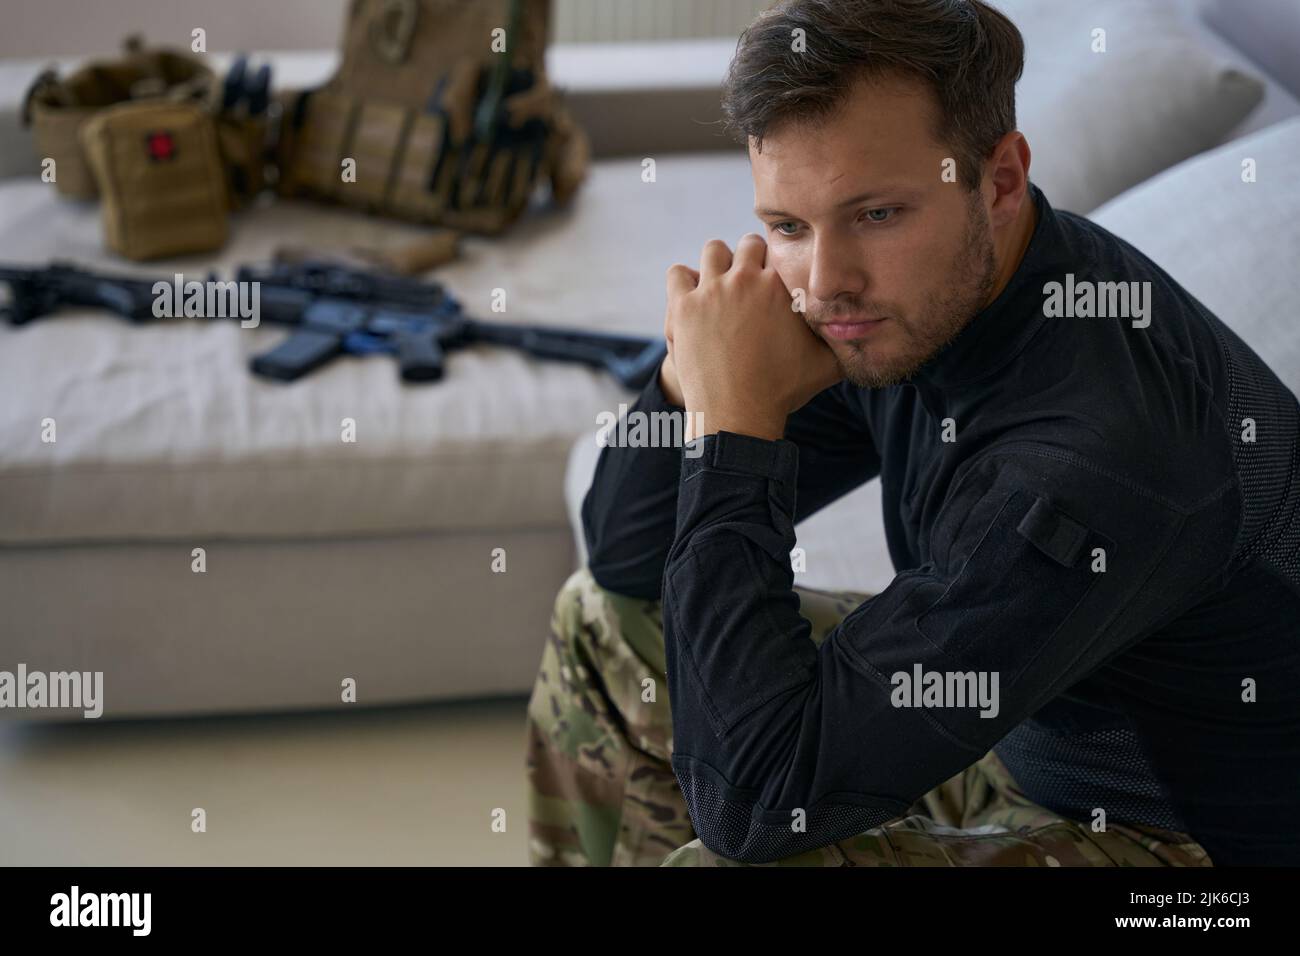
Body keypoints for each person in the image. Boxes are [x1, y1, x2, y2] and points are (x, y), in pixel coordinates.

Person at [525, 0, 1300, 867]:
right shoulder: (918, 304)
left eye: (877, 215)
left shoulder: (1092, 457)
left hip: (1191, 864)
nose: (825, 283)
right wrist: (692, 381)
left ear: (999, 181)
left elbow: (752, 810)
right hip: (1013, 743)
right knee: (604, 620)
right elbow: (625, 556)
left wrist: (733, 429)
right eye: (788, 225)